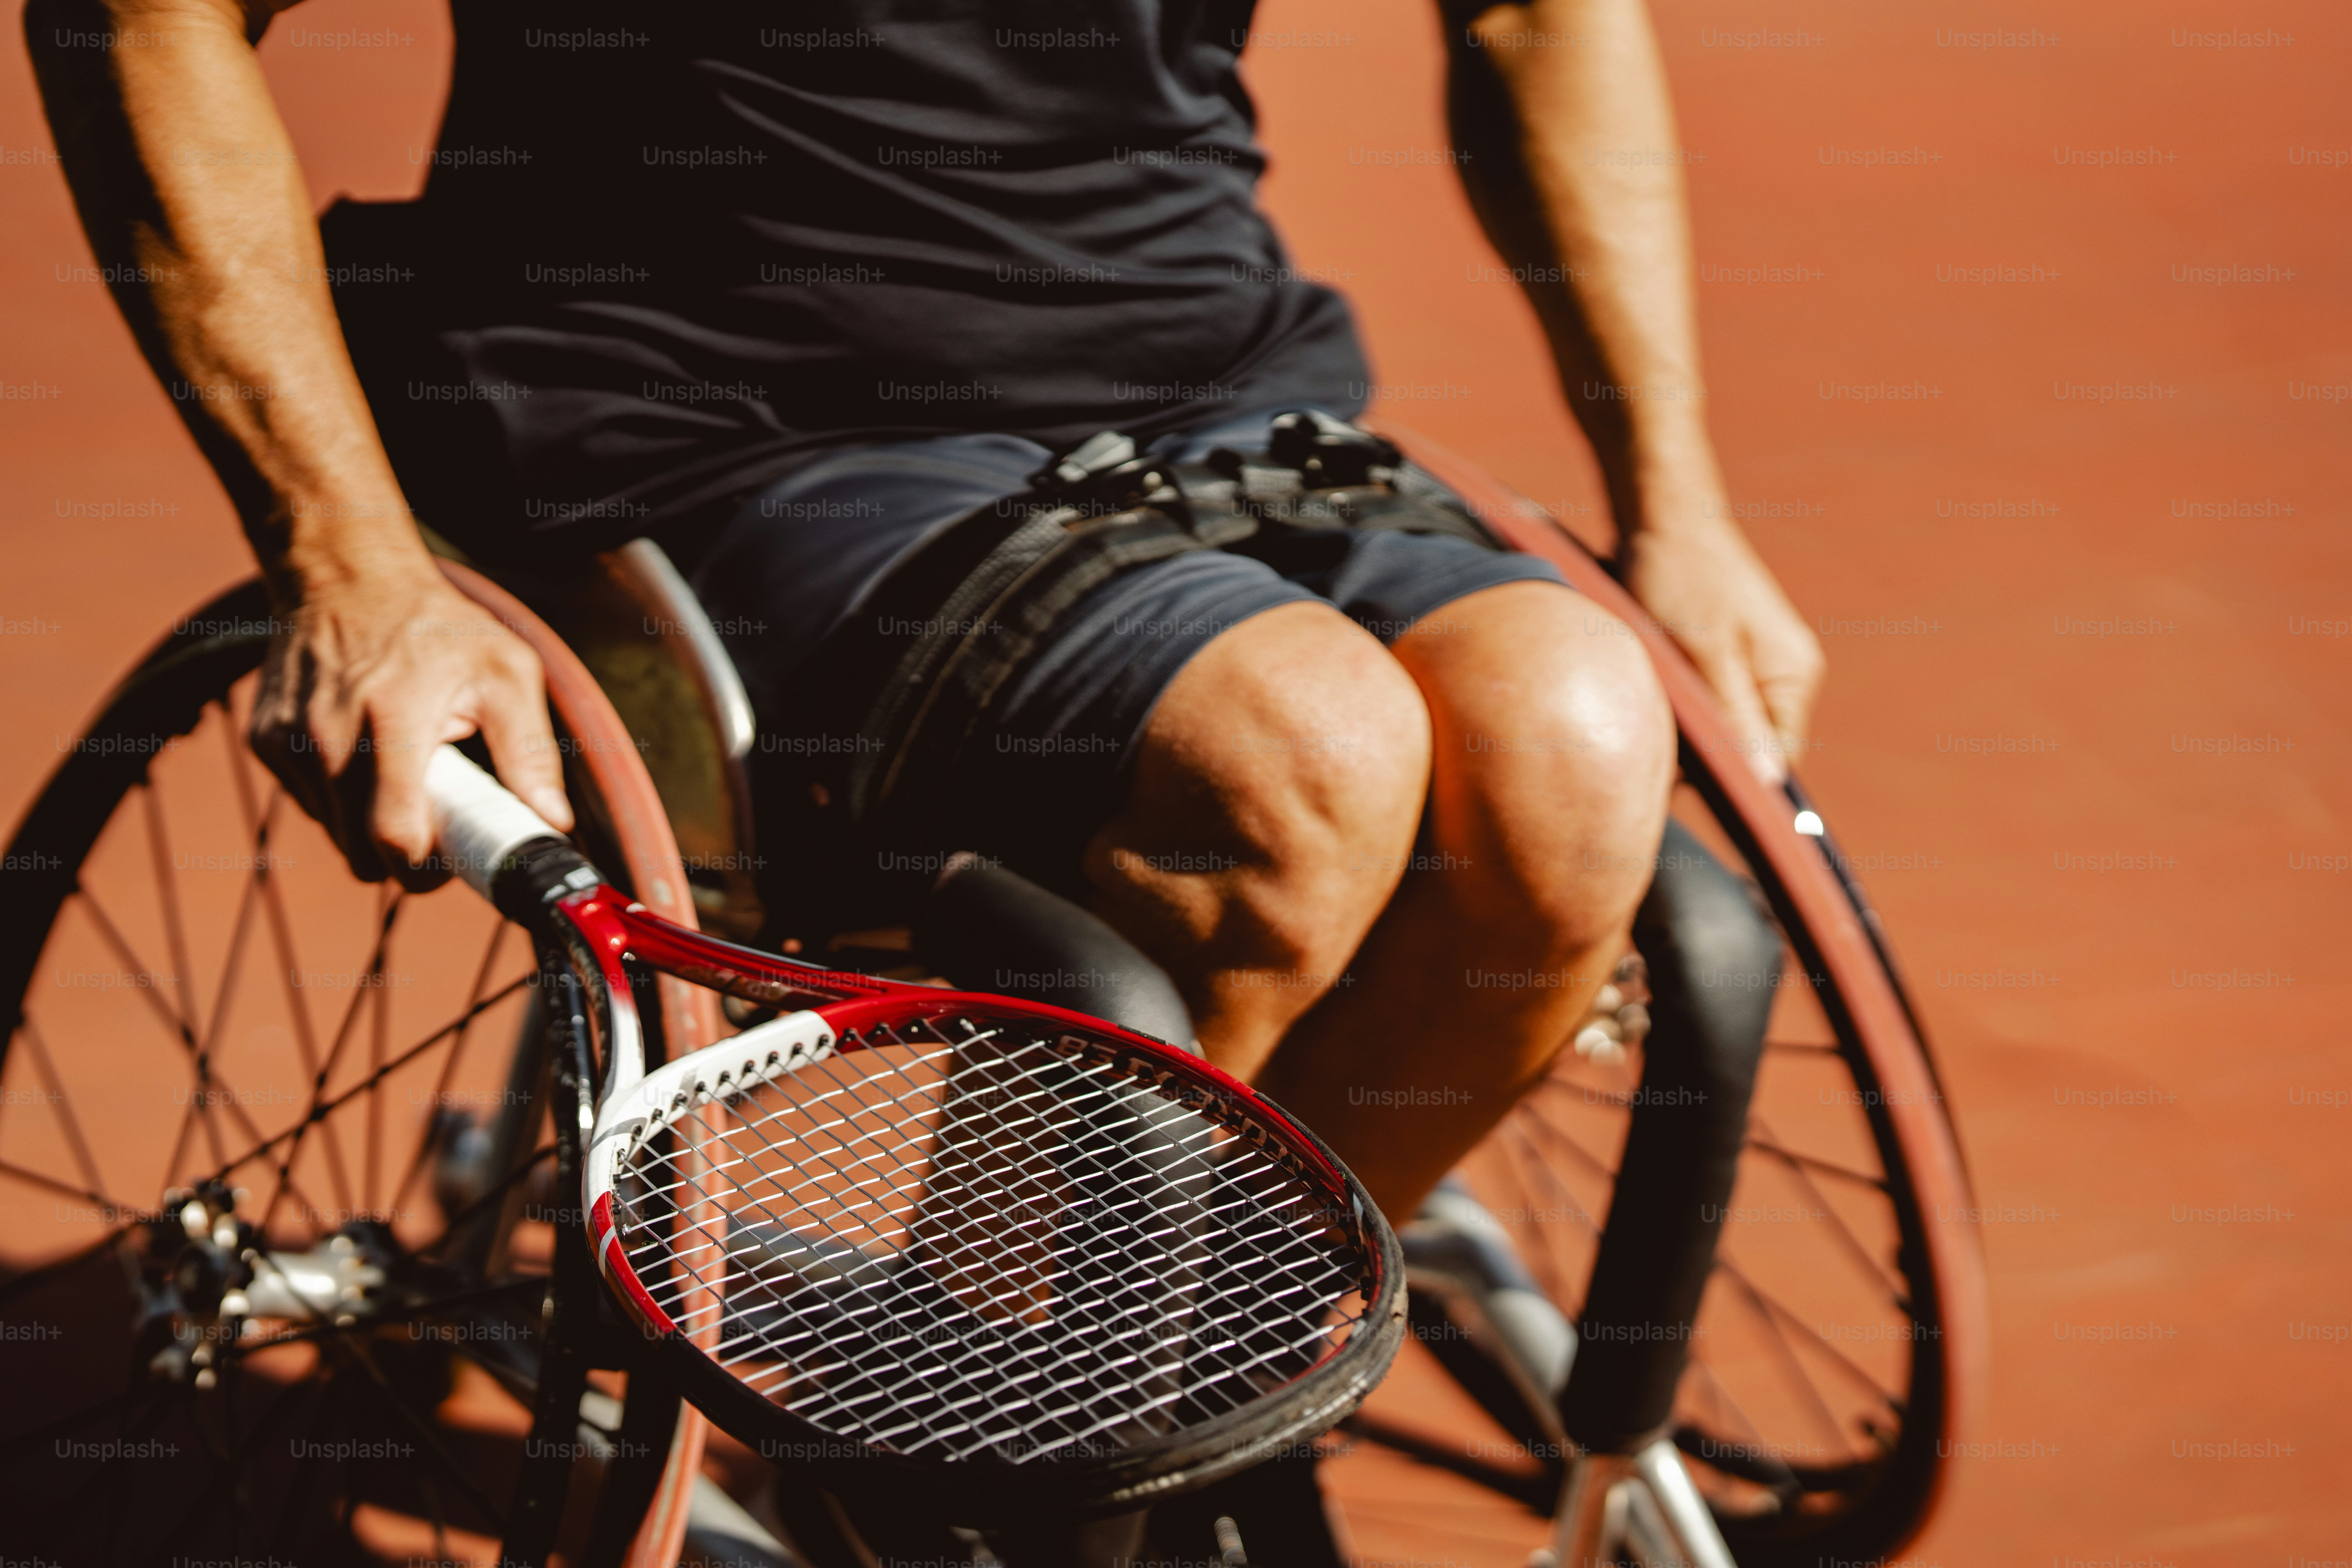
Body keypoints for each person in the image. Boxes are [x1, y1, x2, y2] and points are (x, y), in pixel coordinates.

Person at [32, 0, 1819, 1226]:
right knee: (1297, 762)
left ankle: (1161, 1373)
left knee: (1575, 742)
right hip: (704, 412)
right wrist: (345, 560)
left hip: (1197, 373)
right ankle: (995, 1431)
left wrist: (1679, 503)